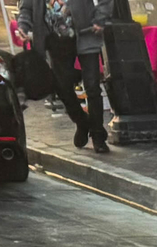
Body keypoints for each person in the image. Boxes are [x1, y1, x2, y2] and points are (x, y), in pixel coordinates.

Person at [19, 0, 110, 152]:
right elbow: (26, 7)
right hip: (56, 41)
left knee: (92, 86)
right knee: (62, 88)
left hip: (86, 33)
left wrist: (100, 18)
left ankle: (98, 136)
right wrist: (23, 25)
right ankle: (82, 122)